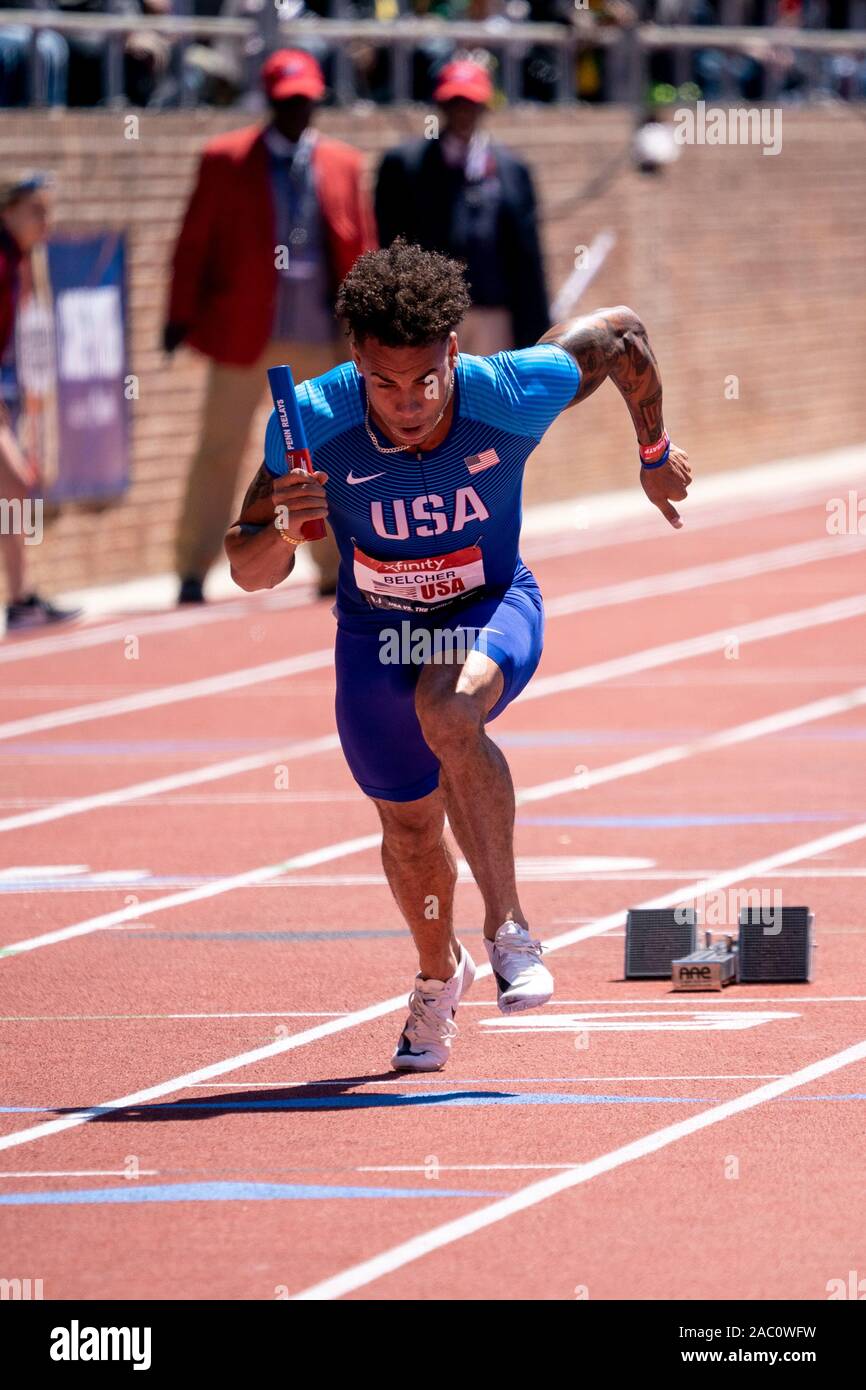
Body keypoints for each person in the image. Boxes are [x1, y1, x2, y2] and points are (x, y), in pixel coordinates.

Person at [224, 239, 691, 1072]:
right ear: (357, 362)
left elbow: (621, 338)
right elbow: (248, 568)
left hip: (490, 603)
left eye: (424, 380)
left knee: (448, 708)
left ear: (453, 354)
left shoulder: (511, 391)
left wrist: (653, 457)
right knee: (407, 828)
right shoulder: (314, 426)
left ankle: (510, 928)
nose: (405, 404)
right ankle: (439, 976)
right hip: (377, 631)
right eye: (384, 383)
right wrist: (289, 527)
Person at [164, 48, 377, 604]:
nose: (296, 111)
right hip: (243, 334)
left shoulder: (343, 163)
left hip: (320, 333)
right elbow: (194, 243)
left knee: (333, 453)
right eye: (286, 102)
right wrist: (178, 314)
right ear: (268, 101)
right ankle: (193, 566)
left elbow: (363, 246)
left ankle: (336, 566)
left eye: (305, 100)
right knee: (221, 448)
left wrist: (371, 325)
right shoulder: (226, 159)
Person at [374, 58, 550, 354]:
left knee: (491, 396)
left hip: (494, 312)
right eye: (455, 103)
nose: (463, 112)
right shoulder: (406, 167)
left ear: (484, 107)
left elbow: (527, 254)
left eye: (470, 103)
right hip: (432, 315)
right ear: (441, 106)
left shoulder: (511, 169)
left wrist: (537, 326)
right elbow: (389, 243)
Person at [0, 175, 80, 633]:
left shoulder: (20, 259)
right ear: (7, 210)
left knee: (13, 489)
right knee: (14, 483)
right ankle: (19, 598)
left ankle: (19, 598)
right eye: (37, 211)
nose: (46, 222)